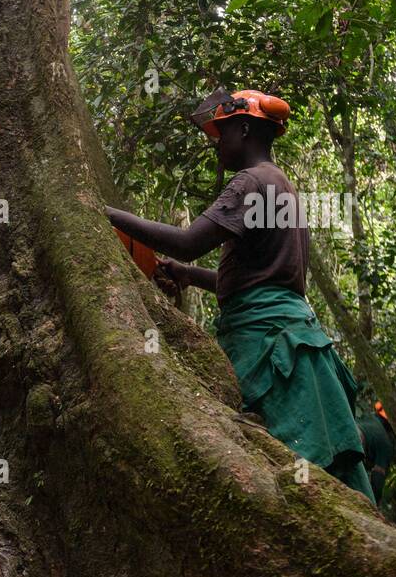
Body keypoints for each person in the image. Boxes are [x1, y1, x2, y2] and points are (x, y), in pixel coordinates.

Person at [105, 87, 376, 503]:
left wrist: (103, 213)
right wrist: (190, 276)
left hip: (270, 350)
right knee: (320, 474)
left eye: (222, 133)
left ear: (245, 129)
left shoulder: (250, 182)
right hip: (292, 340)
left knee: (286, 474)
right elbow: (259, 282)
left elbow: (187, 241)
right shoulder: (281, 185)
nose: (216, 143)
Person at [358, 402, 396, 504]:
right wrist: (374, 504)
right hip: (355, 444)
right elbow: (378, 477)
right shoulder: (386, 445)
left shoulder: (366, 416)